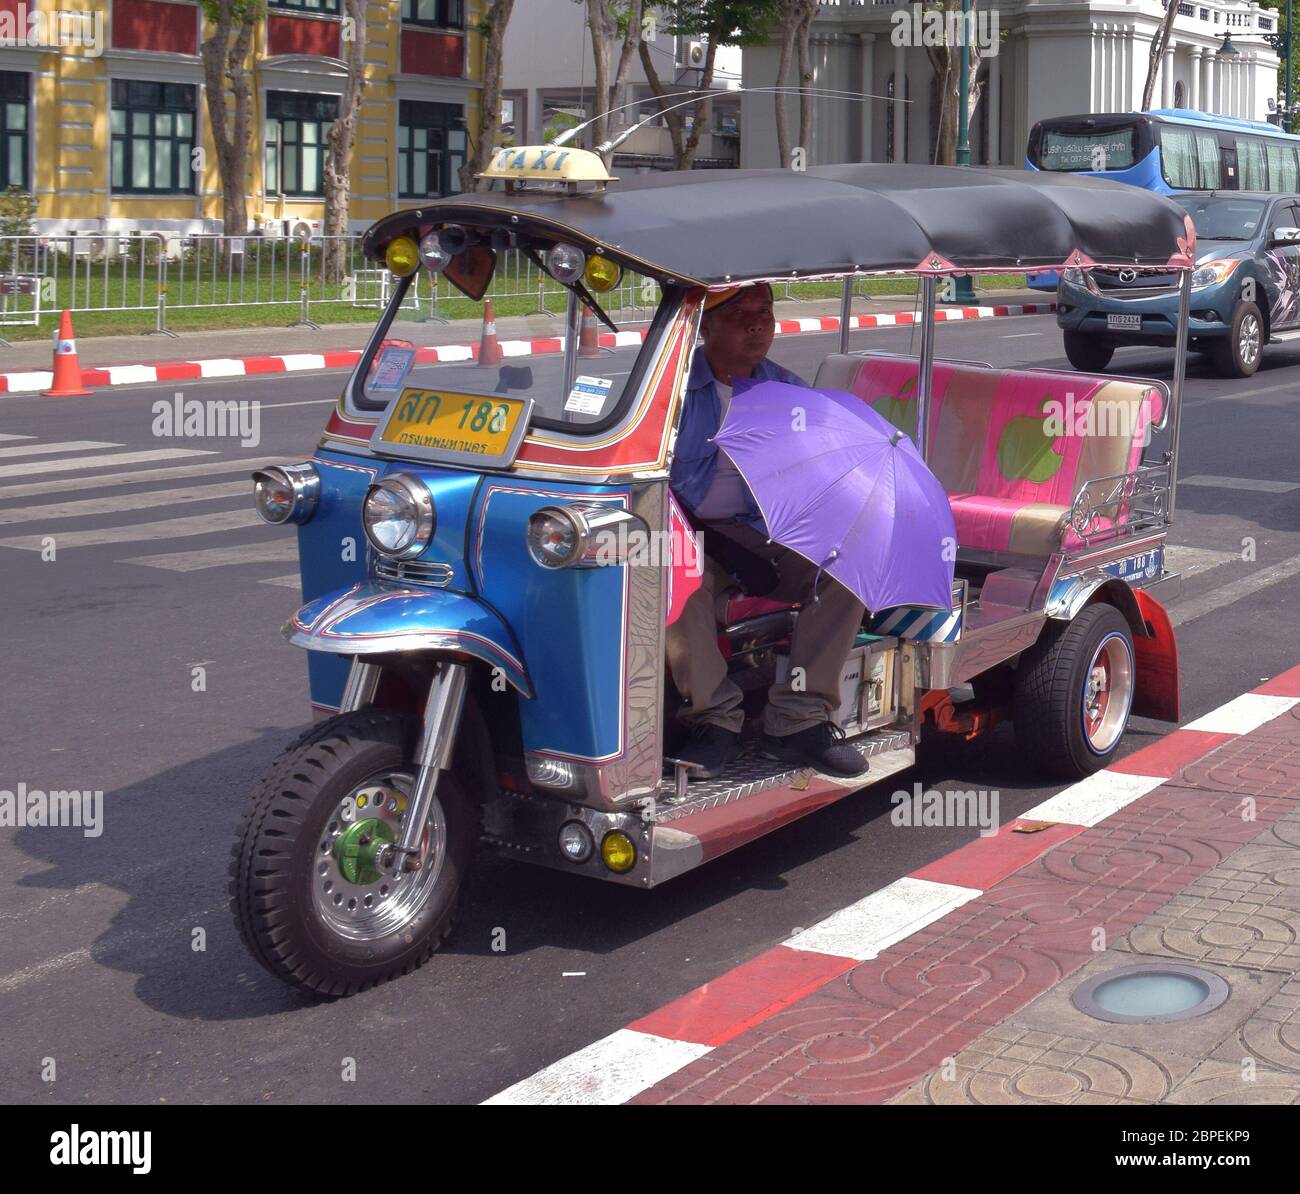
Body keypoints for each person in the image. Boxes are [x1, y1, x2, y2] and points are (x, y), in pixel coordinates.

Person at [666, 282, 869, 781]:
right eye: (739, 313)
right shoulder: (669, 390)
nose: (756, 324)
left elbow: (820, 480)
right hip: (689, 537)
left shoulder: (790, 395)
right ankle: (715, 719)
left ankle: (798, 719)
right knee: (670, 569)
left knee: (847, 566)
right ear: (705, 325)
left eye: (765, 312)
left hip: (765, 538)